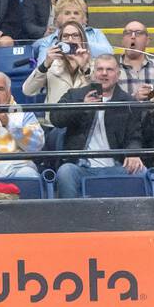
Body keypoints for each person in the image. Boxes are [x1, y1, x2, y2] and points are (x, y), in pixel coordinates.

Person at [51, 53, 145, 198]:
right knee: (65, 172)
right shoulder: (75, 95)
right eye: (100, 69)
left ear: (118, 74)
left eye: (109, 70)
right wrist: (81, 108)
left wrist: (133, 153)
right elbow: (56, 119)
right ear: (94, 73)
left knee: (141, 171)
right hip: (81, 166)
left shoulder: (128, 101)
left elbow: (135, 136)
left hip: (116, 166)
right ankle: (70, 219)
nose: (104, 74)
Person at [22, 18, 91, 113]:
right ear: (60, 41)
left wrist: (85, 69)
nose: (70, 40)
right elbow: (28, 91)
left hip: (84, 122)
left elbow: (102, 94)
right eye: (65, 36)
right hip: (55, 123)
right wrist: (45, 65)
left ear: (82, 39)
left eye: (75, 35)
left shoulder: (94, 65)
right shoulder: (51, 66)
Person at [117, 20, 154, 101]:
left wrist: (153, 96)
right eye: (128, 33)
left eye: (138, 33)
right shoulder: (110, 70)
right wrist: (133, 99)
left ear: (147, 40)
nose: (133, 36)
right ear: (122, 40)